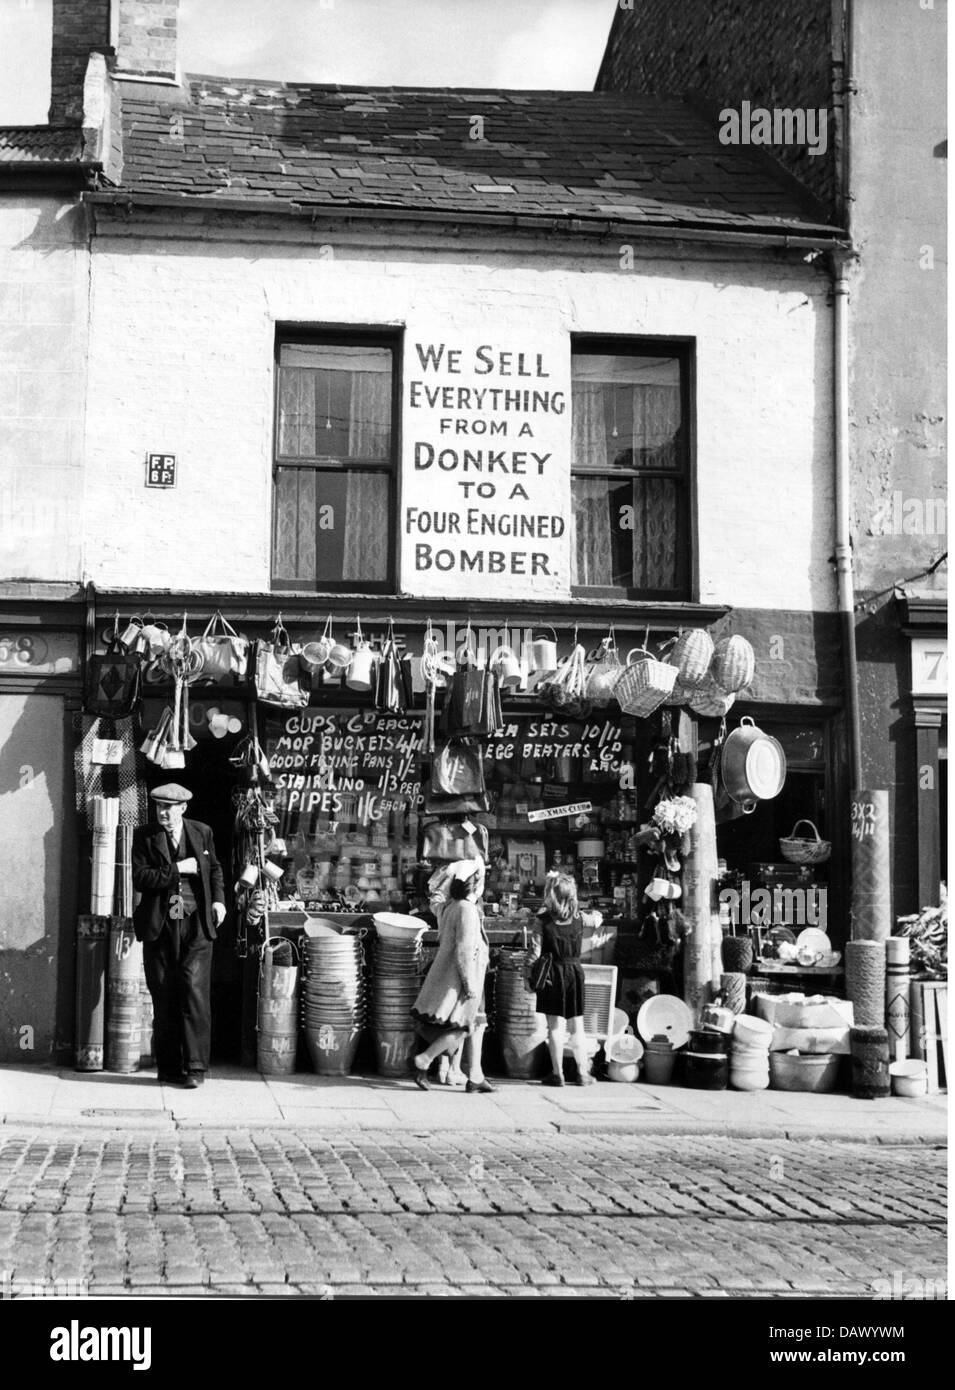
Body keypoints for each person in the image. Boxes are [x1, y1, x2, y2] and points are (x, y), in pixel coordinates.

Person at [132, 784, 226, 1089]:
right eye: (159, 807)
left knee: (194, 993)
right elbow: (141, 878)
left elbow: (215, 870)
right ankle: (169, 1067)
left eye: (169, 808)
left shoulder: (202, 832)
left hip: (195, 922)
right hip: (161, 926)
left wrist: (218, 900)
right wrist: (177, 869)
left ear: (183, 808)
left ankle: (195, 1067)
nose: (163, 813)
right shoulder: (144, 836)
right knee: (165, 994)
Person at [410, 860, 494, 1093]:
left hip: (451, 975)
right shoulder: (466, 910)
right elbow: (464, 950)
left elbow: (435, 898)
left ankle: (475, 1076)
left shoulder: (450, 905)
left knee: (472, 1023)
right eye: (479, 879)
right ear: (474, 883)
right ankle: (424, 1059)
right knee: (463, 1027)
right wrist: (470, 985)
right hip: (462, 978)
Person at [533, 873, 595, 1086]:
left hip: (552, 973)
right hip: (575, 972)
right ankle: (582, 1073)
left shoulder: (542, 920)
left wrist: (527, 976)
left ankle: (557, 1074)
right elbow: (597, 919)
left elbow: (534, 952)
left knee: (555, 1026)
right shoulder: (580, 918)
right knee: (577, 1025)